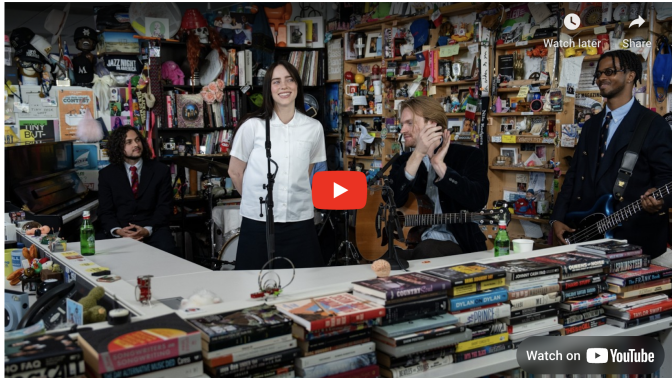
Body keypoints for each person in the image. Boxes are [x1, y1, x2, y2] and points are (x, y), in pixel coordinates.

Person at [551, 50, 672, 259]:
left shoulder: (653, 125)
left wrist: (660, 201)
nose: (601, 78)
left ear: (631, 76)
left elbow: (667, 179)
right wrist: (558, 218)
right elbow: (573, 175)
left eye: (609, 71)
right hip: (584, 236)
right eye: (598, 74)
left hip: (634, 242)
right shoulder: (591, 126)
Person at [229, 60, 326, 270]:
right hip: (258, 222)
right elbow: (235, 172)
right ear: (268, 88)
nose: (284, 86)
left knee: (306, 283)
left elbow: (307, 172)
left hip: (300, 221)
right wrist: (254, 201)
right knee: (253, 284)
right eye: (276, 81)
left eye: (289, 80)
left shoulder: (314, 128)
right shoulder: (251, 126)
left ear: (297, 86)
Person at [388, 97, 489, 259]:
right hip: (410, 240)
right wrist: (418, 154)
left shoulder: (469, 156)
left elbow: (477, 200)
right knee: (385, 258)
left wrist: (439, 166)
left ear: (432, 125)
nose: (402, 130)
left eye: (409, 123)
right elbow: (392, 201)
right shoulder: (403, 162)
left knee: (427, 250)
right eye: (402, 124)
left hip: (456, 242)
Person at [98, 126, 176, 254]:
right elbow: (105, 211)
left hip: (152, 229)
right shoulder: (106, 174)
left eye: (137, 140)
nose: (136, 144)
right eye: (129, 142)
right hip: (121, 229)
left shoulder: (160, 170)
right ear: (119, 147)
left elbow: (164, 207)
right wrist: (118, 231)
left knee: (169, 251)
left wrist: (147, 230)